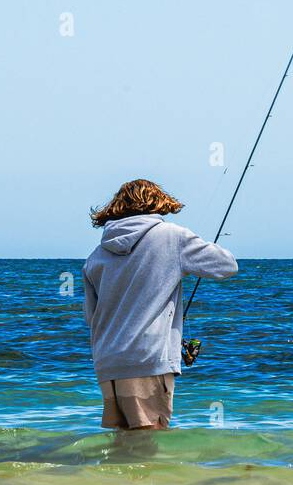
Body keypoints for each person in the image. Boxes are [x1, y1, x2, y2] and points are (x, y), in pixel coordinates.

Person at [83, 179, 237, 429]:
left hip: (107, 363)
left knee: (123, 444)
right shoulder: (171, 236)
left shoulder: (95, 256)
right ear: (157, 204)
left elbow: (92, 317)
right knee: (149, 442)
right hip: (148, 359)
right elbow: (227, 265)